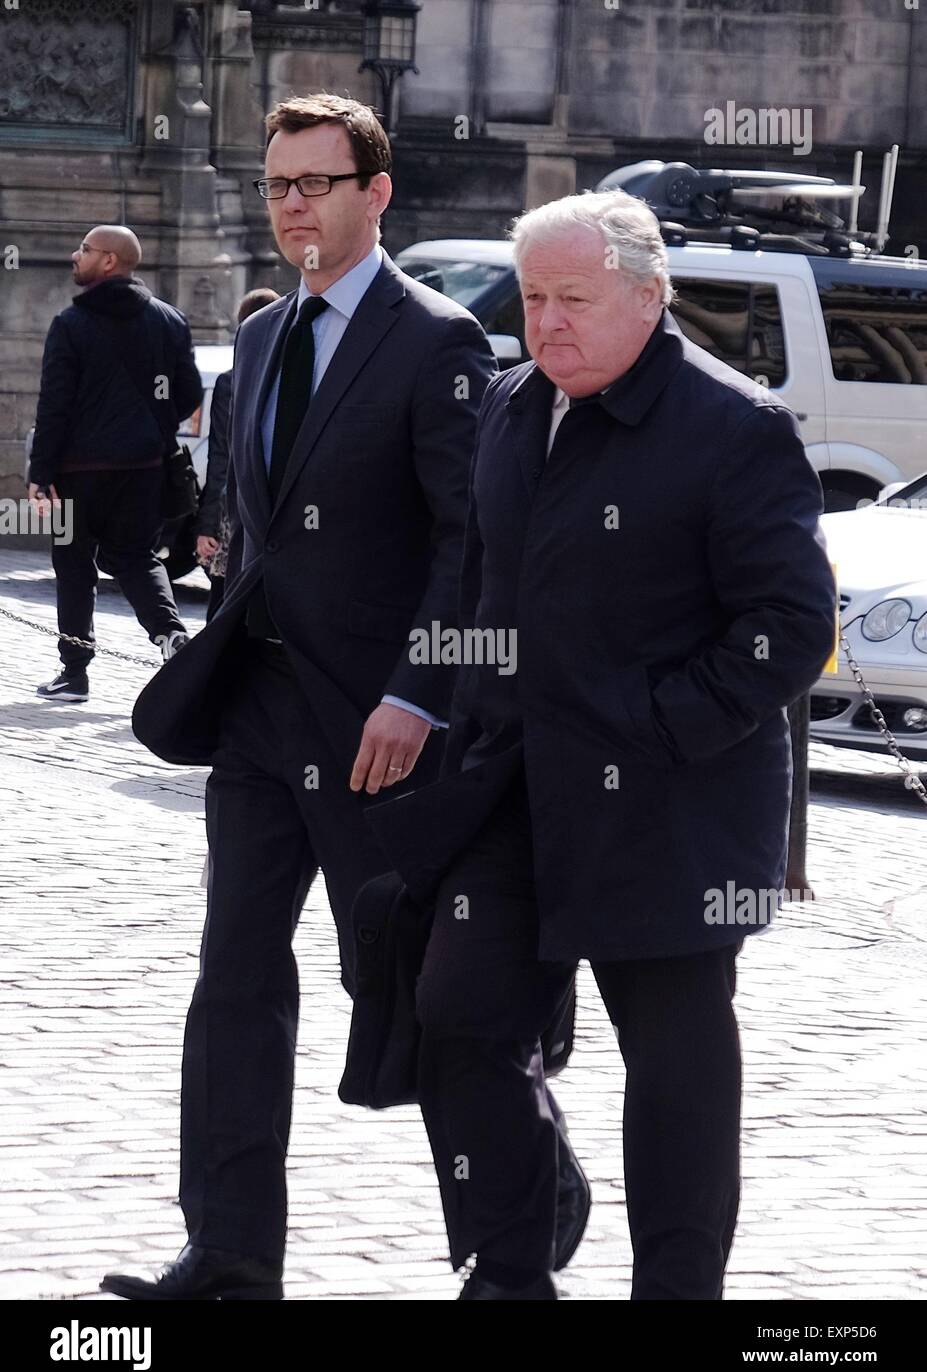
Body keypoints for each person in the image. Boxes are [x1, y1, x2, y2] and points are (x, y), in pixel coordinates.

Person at [364, 189, 838, 1300]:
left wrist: (656, 724)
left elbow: (788, 628)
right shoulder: (511, 407)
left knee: (671, 1064)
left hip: (671, 809)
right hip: (514, 789)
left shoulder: (738, 427)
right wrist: (451, 706)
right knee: (460, 1015)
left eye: (574, 298)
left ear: (647, 293)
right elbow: (478, 577)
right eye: (533, 298)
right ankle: (512, 1269)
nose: (548, 322)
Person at [100, 93, 496, 1301]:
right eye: (277, 184)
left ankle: (514, 1214)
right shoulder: (265, 338)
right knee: (234, 974)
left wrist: (421, 695)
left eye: (315, 183)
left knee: (411, 983)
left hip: (379, 727)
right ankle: (228, 1252)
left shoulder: (438, 342)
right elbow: (256, 512)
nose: (291, 206)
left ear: (377, 194)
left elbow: (469, 543)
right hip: (262, 711)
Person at [29, 225, 202, 701]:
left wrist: (40, 474)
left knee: (73, 565)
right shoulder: (169, 320)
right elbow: (188, 393)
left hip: (75, 474)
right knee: (136, 558)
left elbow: (55, 405)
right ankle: (171, 636)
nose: (74, 255)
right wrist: (148, 426)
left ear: (109, 261)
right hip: (143, 468)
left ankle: (74, 673)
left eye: (84, 249)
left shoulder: (71, 324)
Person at [196, 289, 281, 621]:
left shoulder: (232, 381)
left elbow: (222, 458)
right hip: (277, 512)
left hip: (238, 511)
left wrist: (207, 525)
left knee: (222, 603)